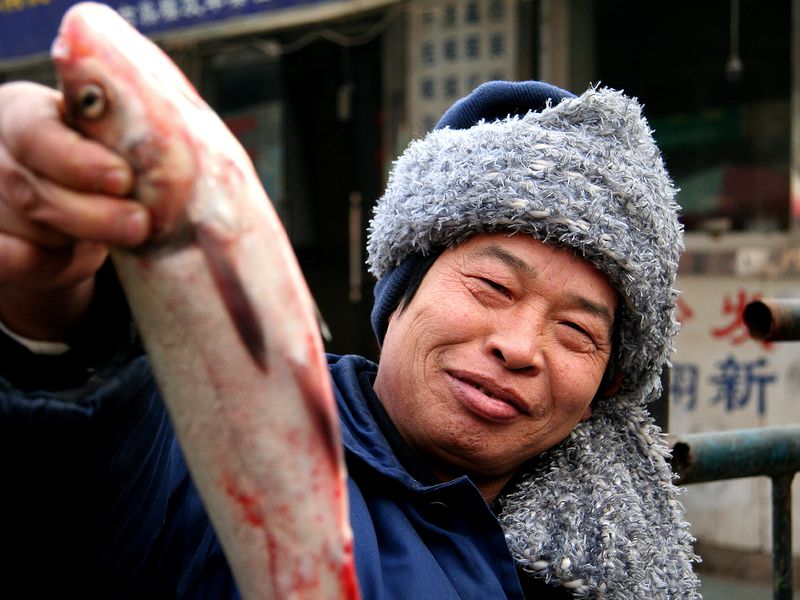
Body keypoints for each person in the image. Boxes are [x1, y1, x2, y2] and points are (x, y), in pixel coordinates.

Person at [0, 78, 699, 598]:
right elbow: (84, 468)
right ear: (400, 294)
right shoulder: (231, 436)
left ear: (605, 385)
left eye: (576, 331)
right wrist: (50, 302)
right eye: (493, 288)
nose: (519, 346)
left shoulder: (620, 547)